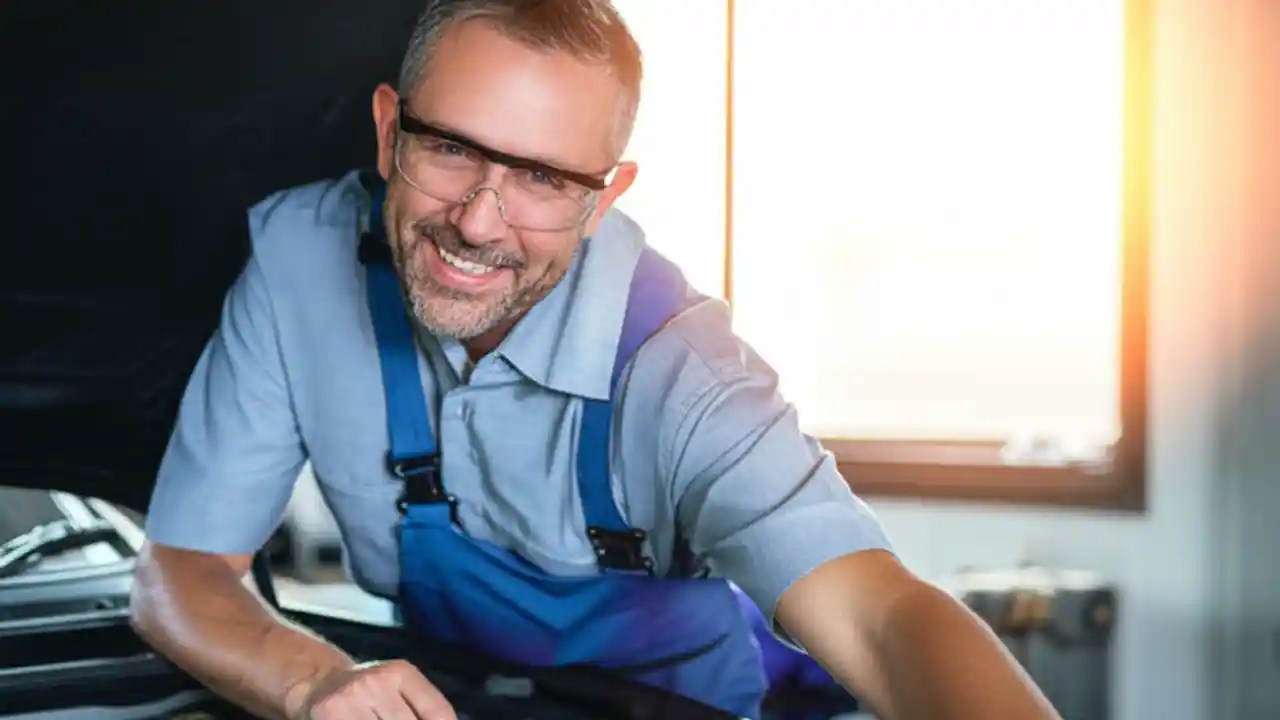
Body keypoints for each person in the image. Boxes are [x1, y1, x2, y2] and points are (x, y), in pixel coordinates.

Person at [128, 2, 1060, 719]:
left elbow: (881, 619)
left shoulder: (682, 369)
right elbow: (181, 573)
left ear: (603, 197)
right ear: (387, 131)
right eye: (451, 149)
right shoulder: (299, 263)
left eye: (541, 176)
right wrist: (316, 681)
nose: (478, 222)